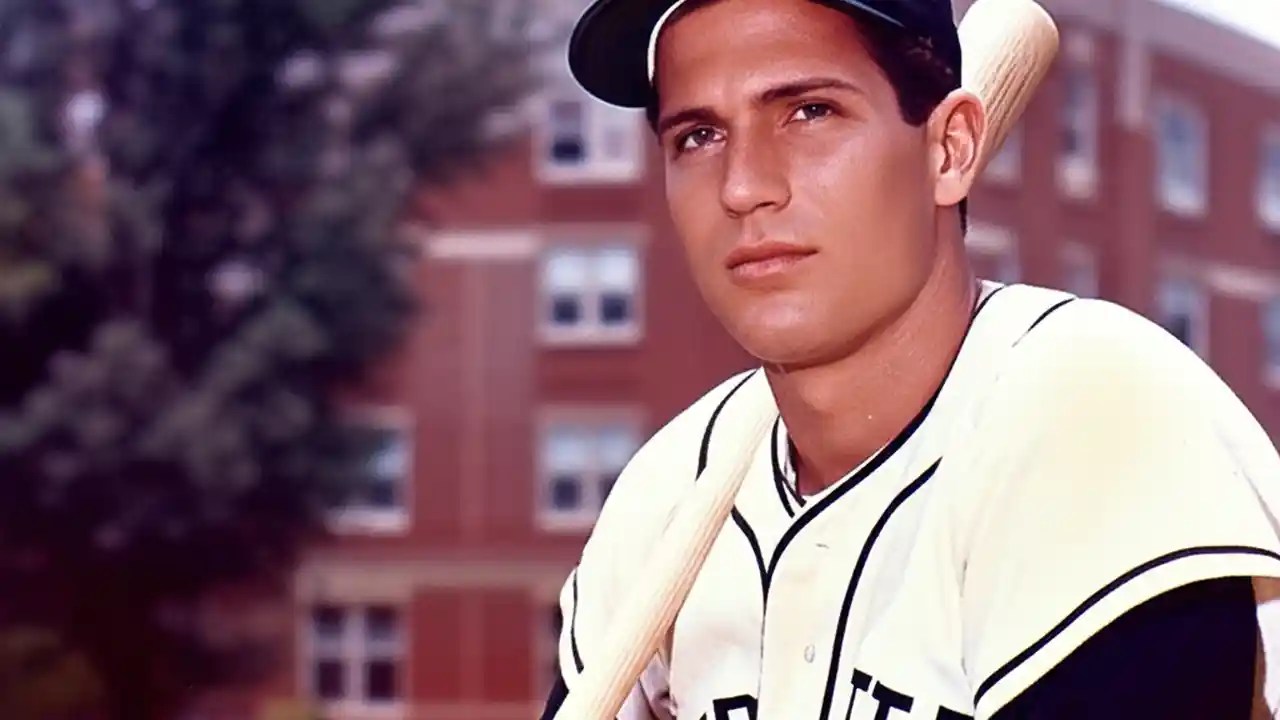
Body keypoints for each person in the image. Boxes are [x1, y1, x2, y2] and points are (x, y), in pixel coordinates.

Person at [541, 0, 1280, 718]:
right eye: (699, 136)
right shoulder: (668, 490)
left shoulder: (1099, 409)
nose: (744, 187)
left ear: (949, 147)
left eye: (809, 112)